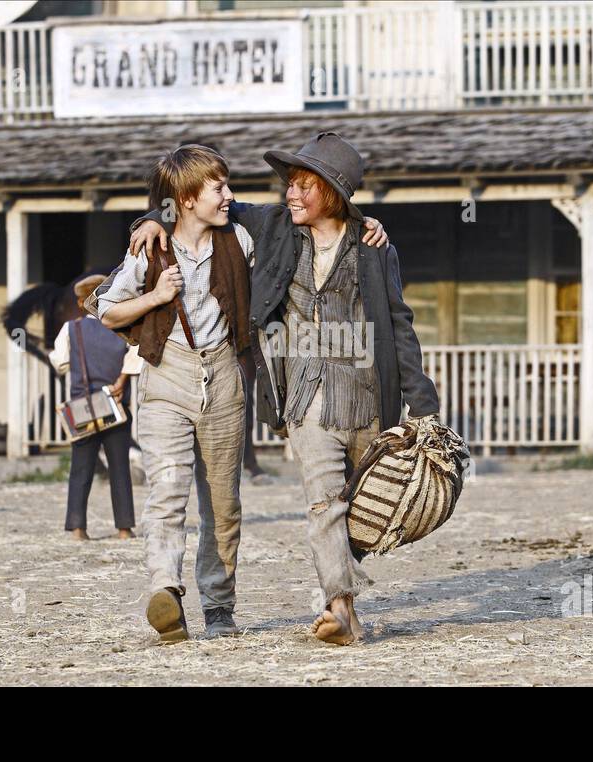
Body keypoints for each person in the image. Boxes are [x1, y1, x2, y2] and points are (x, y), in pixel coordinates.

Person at [130, 132, 435, 646]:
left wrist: (421, 402)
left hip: (366, 396)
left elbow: (399, 323)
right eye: (289, 184)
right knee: (323, 504)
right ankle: (338, 608)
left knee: (357, 511)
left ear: (333, 193)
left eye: (302, 186)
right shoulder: (273, 227)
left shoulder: (373, 246)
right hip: (305, 398)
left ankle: (346, 604)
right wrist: (149, 220)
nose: (290, 194)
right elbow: (196, 207)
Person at [95, 144, 258, 642]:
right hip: (167, 375)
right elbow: (106, 310)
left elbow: (290, 229)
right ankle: (165, 589)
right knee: (166, 492)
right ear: (187, 199)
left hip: (225, 374)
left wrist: (364, 225)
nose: (229, 195)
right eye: (219, 188)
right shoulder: (149, 250)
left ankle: (219, 605)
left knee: (222, 504)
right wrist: (157, 296)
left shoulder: (243, 241)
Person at [49, 273, 138, 541]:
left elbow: (60, 363)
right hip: (115, 404)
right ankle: (124, 529)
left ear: (80, 303)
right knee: (119, 467)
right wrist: (120, 381)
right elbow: (136, 357)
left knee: (81, 468)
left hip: (82, 407)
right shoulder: (124, 327)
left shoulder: (71, 329)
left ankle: (78, 528)